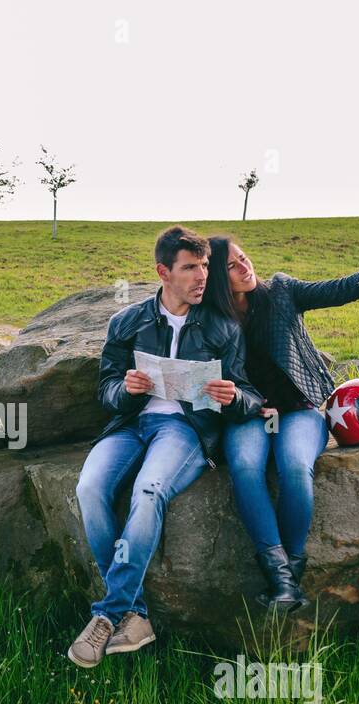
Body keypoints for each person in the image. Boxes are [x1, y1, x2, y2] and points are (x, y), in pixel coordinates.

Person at [200, 236, 359, 608]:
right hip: (247, 414)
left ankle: (290, 574)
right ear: (216, 278)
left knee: (296, 466)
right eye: (232, 266)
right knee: (247, 467)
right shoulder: (208, 320)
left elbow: (340, 289)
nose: (244, 267)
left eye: (244, 258)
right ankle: (282, 579)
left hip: (299, 410)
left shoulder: (281, 291)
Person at [68, 226, 262, 668]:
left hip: (184, 431)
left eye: (205, 267)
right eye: (190, 268)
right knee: (90, 489)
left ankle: (108, 615)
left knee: (149, 491)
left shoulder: (222, 327)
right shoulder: (127, 322)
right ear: (163, 272)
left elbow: (250, 396)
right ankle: (135, 615)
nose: (201, 277)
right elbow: (106, 390)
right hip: (130, 424)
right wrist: (126, 389)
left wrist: (233, 397)